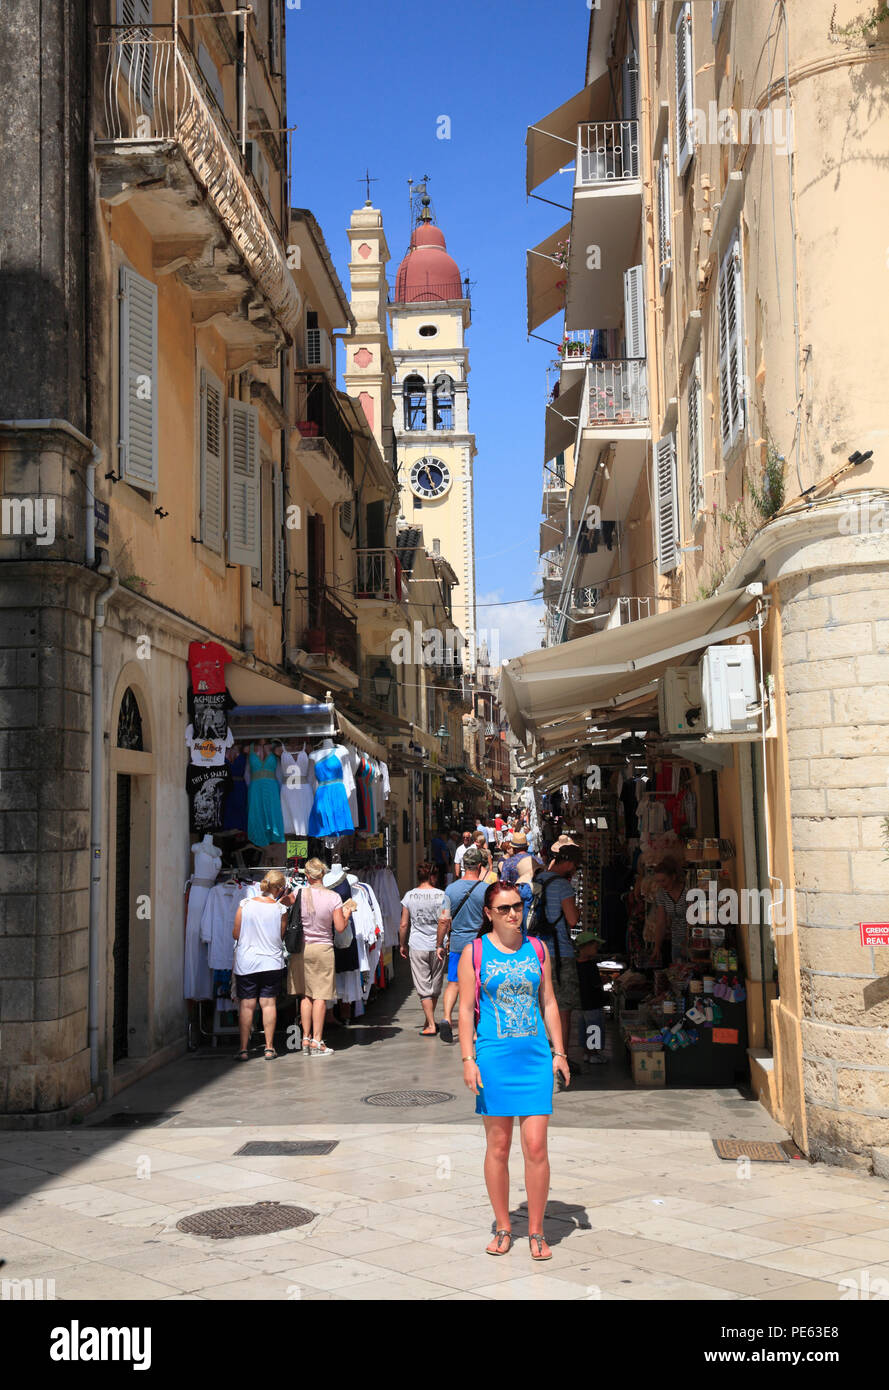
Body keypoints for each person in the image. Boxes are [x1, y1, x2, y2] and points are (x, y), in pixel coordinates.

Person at [457, 881, 570, 1261]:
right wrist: (468, 1059)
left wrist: (560, 1052)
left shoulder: (537, 948)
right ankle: (504, 1226)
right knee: (499, 1146)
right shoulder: (474, 952)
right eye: (504, 908)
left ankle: (536, 1230)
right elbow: (464, 1012)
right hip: (493, 1060)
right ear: (488, 913)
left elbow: (549, 1001)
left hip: (535, 1058)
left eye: (518, 907)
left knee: (536, 1145)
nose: (513, 914)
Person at [287, 857, 352, 1056]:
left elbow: (281, 905)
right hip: (323, 949)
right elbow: (340, 928)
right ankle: (317, 1039)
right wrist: (347, 913)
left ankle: (305, 1038)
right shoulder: (333, 898)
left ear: (307, 876)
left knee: (305, 995)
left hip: (301, 948)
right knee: (321, 996)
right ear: (323, 875)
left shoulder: (298, 893)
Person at [232, 870, 289, 1060]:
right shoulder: (280, 910)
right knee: (268, 1004)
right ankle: (269, 1047)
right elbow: (280, 935)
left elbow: (236, 933)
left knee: (246, 1006)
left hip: (246, 962)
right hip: (271, 962)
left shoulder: (245, 905)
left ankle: (243, 1049)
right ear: (279, 888)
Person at [436, 845, 488, 1044]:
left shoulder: (450, 889)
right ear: (480, 865)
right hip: (479, 944)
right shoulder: (485, 890)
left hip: (457, 943)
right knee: (478, 985)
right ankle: (476, 1031)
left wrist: (440, 943)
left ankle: (447, 1017)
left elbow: (443, 920)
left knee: (454, 983)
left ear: (464, 865)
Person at [535, 849, 582, 1046]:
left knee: (540, 1003)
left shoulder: (535, 881)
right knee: (563, 1007)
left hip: (536, 950)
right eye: (576, 865)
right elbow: (572, 919)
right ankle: (562, 1053)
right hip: (559, 952)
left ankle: (542, 1052)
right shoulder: (563, 886)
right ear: (569, 863)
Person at [400, 862, 449, 1035]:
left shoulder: (409, 896)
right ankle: (429, 1019)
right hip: (438, 945)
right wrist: (441, 942)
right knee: (435, 984)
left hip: (418, 944)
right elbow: (445, 921)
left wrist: (402, 943)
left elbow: (404, 923)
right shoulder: (442, 895)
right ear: (432, 876)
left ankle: (430, 1024)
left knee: (423, 986)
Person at [653, 856, 691, 965]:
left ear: (673, 877)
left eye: (663, 881)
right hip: (676, 942)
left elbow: (694, 920)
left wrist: (688, 941)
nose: (661, 885)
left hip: (693, 941)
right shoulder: (662, 894)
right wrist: (657, 947)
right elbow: (661, 923)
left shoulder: (688, 890)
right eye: (658, 881)